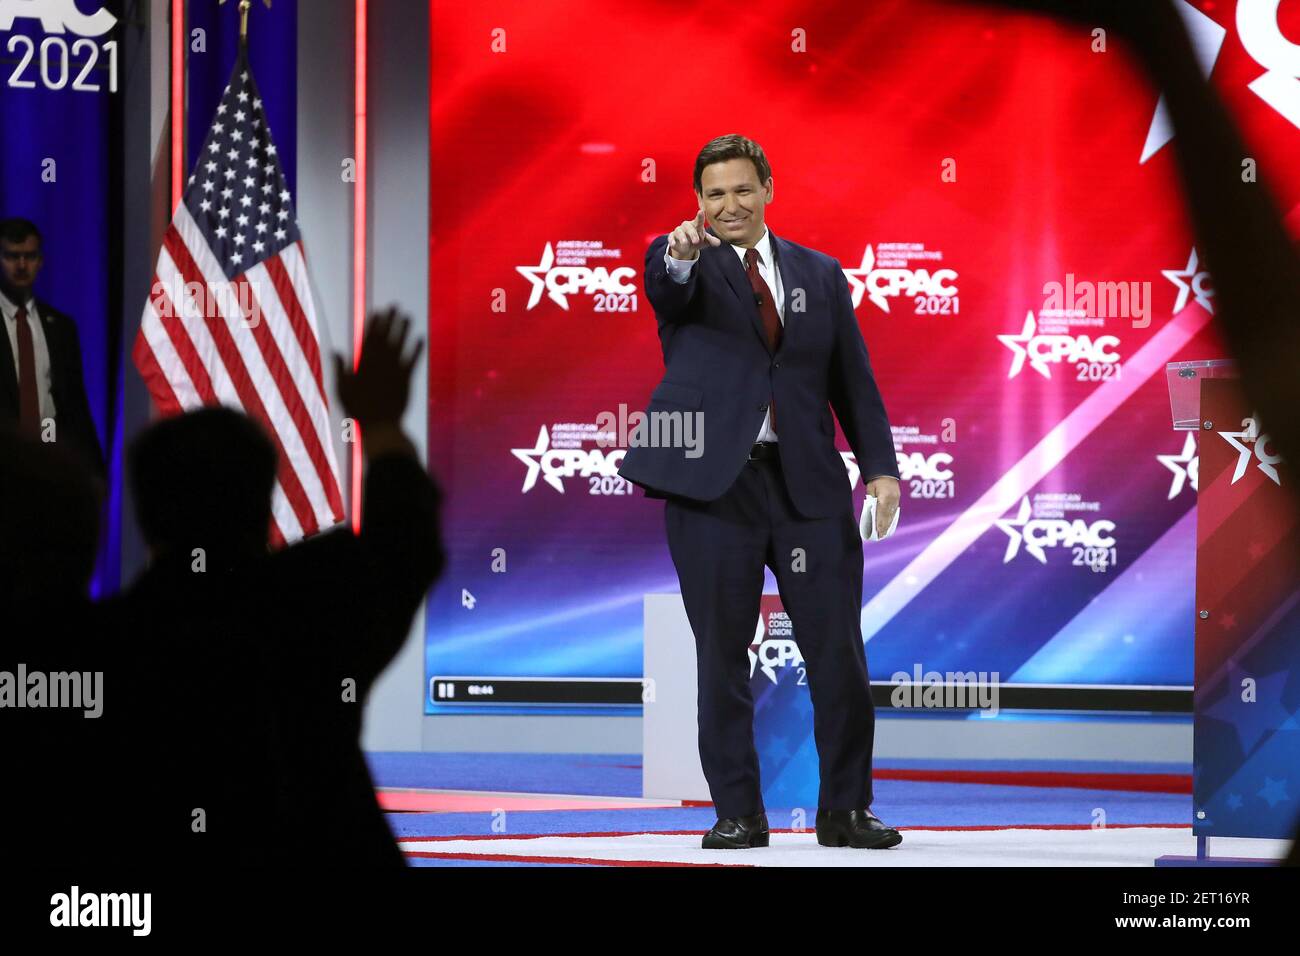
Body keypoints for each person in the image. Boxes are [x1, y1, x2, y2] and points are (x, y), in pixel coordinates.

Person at [618, 135, 903, 849]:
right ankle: (738, 813)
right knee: (721, 657)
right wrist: (679, 253)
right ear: (699, 203)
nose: (729, 205)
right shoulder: (682, 262)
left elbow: (853, 383)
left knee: (837, 651)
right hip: (715, 491)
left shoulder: (821, 274)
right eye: (714, 194)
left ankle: (845, 811)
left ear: (768, 188)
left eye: (742, 189)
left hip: (808, 490)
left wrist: (881, 469)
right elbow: (666, 285)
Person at [106, 307, 444, 866]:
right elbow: (404, 541)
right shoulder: (310, 607)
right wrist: (380, 423)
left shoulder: (98, 643)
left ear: (143, 514)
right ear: (264, 503)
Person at [0, 218, 105, 476]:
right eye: (13, 257)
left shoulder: (61, 327)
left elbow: (75, 403)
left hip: (50, 466)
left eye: (30, 256)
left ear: (41, 261)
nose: (22, 265)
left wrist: (95, 473)